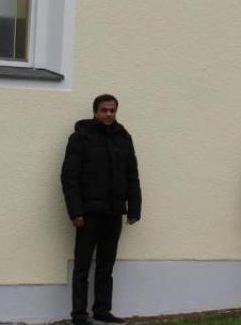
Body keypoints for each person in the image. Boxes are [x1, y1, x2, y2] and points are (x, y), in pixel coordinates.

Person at [61, 94, 142, 325]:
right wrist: (75, 211)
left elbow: (132, 175)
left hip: (114, 212)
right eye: (104, 110)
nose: (108, 114)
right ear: (95, 111)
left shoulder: (124, 138)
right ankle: (79, 315)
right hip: (87, 214)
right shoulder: (80, 137)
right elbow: (69, 177)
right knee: (83, 266)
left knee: (107, 265)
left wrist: (134, 209)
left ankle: (102, 310)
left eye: (112, 110)